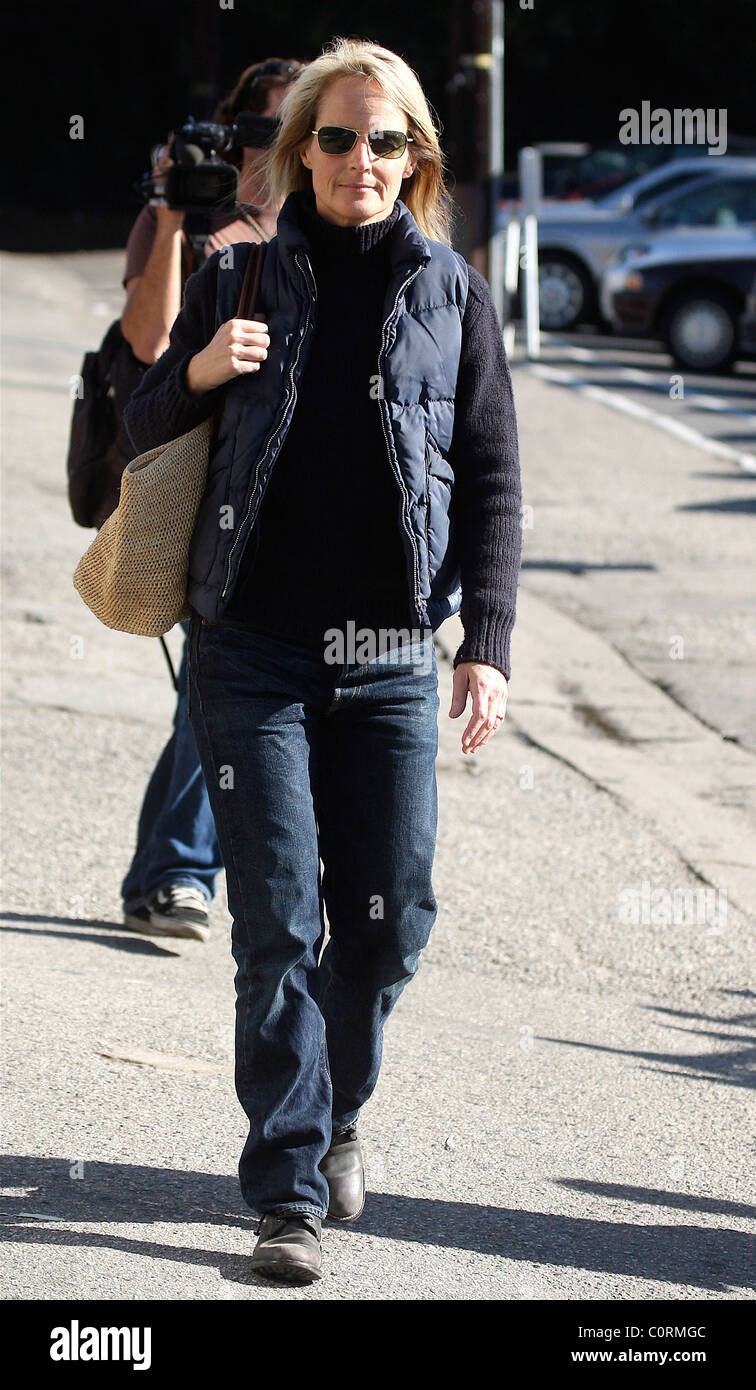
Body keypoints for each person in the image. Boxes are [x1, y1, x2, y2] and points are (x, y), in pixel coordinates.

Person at [124, 36, 521, 1282]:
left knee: (392, 921)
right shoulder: (242, 275)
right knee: (280, 925)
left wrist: (489, 644)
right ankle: (286, 1187)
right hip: (254, 653)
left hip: (393, 659)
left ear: (416, 158)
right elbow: (136, 432)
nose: (360, 159)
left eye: (384, 139)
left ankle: (341, 1110)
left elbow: (498, 480)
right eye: (336, 138)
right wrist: (197, 368)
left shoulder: (454, 291)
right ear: (302, 150)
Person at [119, 57, 304, 942]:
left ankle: (160, 872)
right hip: (201, 489)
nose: (279, 147)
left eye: (295, 127)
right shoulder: (197, 224)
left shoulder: (322, 224)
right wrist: (167, 209)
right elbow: (148, 341)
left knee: (209, 692)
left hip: (283, 501)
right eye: (262, 129)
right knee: (221, 687)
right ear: (233, 135)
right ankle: (180, 872)